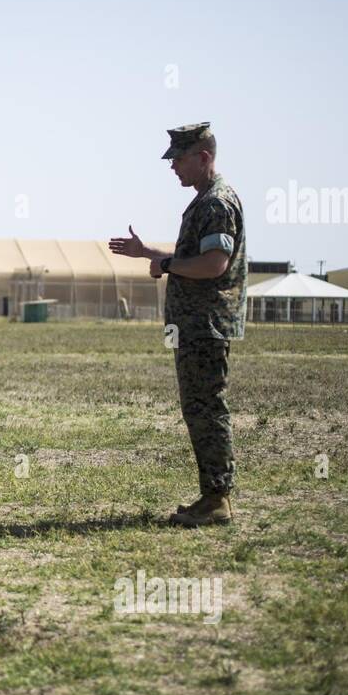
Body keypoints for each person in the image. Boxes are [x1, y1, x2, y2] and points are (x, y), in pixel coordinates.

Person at [109, 122, 247, 527]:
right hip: (196, 325)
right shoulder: (204, 201)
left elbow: (213, 264)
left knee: (207, 410)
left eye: (179, 159)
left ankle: (218, 497)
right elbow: (195, 256)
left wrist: (166, 264)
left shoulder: (216, 203)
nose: (173, 168)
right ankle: (212, 495)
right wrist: (148, 252)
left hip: (206, 325)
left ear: (203, 157)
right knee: (199, 408)